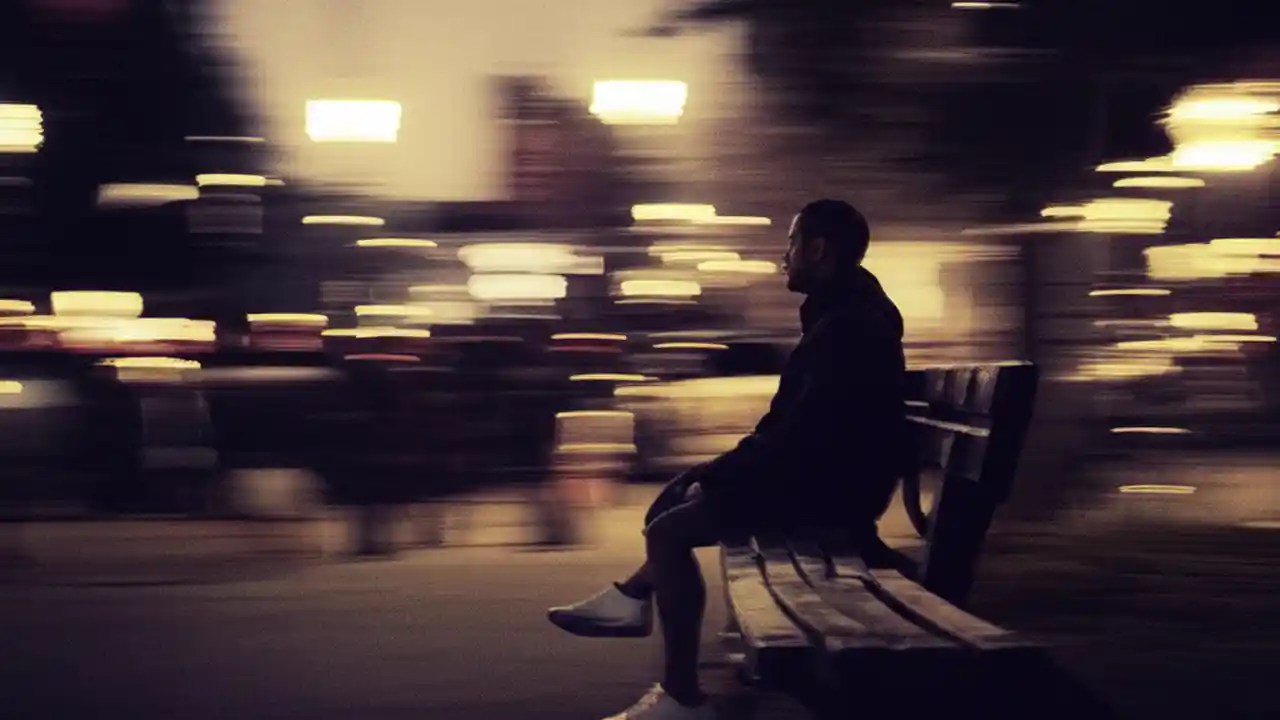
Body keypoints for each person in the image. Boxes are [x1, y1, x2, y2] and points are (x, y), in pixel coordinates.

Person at [547, 199, 908, 720]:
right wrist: (713, 473)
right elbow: (791, 426)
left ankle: (680, 693)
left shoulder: (845, 329)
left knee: (668, 533)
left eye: (791, 243)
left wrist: (716, 477)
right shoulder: (845, 316)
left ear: (818, 249)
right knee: (674, 510)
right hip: (832, 482)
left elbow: (801, 437)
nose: (784, 257)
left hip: (830, 497)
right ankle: (632, 601)